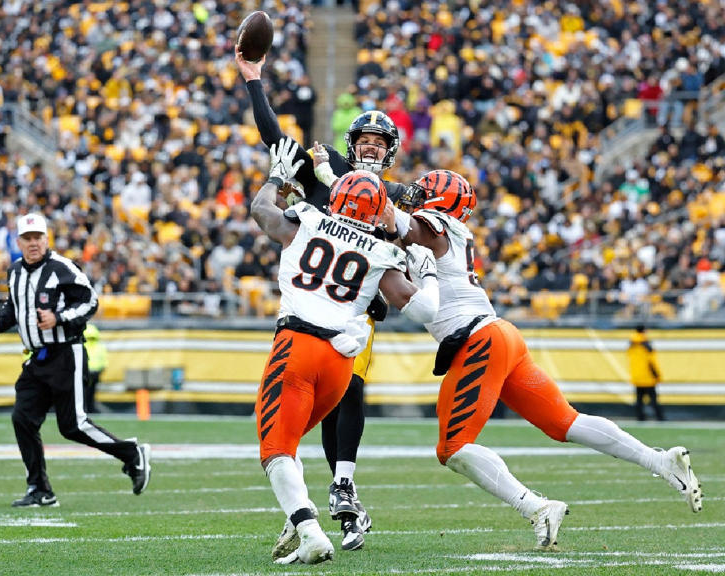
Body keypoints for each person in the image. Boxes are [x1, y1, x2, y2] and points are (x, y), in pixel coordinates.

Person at [383, 169, 702, 548]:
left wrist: (342, 176)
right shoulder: (448, 231)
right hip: (499, 335)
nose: (414, 198)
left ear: (439, 202)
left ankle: (535, 506)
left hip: (479, 340)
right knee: (564, 421)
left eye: (422, 193)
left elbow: (386, 213)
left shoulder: (434, 224)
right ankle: (659, 462)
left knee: (452, 447)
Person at [236, 47, 406, 551]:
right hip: (314, 298)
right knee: (300, 411)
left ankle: (339, 486)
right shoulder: (326, 164)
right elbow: (277, 143)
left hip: (353, 310)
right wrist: (254, 81)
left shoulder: (393, 196)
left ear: (390, 150)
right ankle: (313, 501)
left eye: (381, 142)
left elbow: (416, 230)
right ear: (351, 145)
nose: (372, 148)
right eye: (366, 141)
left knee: (343, 391)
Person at [250, 138, 438, 564]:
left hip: (297, 345)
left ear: (335, 195)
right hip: (341, 362)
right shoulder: (382, 249)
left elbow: (263, 213)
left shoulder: (310, 218)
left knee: (275, 446)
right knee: (291, 442)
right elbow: (422, 307)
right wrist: (426, 273)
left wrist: (278, 178)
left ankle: (309, 529)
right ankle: (299, 513)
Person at [0, 213, 152, 508]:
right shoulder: (15, 272)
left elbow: (90, 301)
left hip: (65, 354)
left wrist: (58, 318)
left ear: (47, 238)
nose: (33, 243)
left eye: (38, 237)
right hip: (37, 358)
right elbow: (14, 307)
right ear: (18, 242)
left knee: (73, 425)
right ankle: (40, 489)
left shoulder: (62, 267)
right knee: (22, 418)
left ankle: (132, 453)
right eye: (27, 239)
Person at [628, 325, 664, 421]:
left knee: (639, 400)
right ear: (643, 331)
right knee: (653, 400)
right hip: (648, 377)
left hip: (636, 377)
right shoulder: (646, 345)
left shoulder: (631, 344)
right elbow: (651, 361)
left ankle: (640, 418)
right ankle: (660, 418)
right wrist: (657, 375)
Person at [83, 323, 108, 414]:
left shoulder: (84, 346)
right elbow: (104, 361)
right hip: (93, 373)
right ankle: (88, 409)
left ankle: (87, 408)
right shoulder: (99, 346)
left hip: (87, 373)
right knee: (88, 393)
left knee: (87, 393)